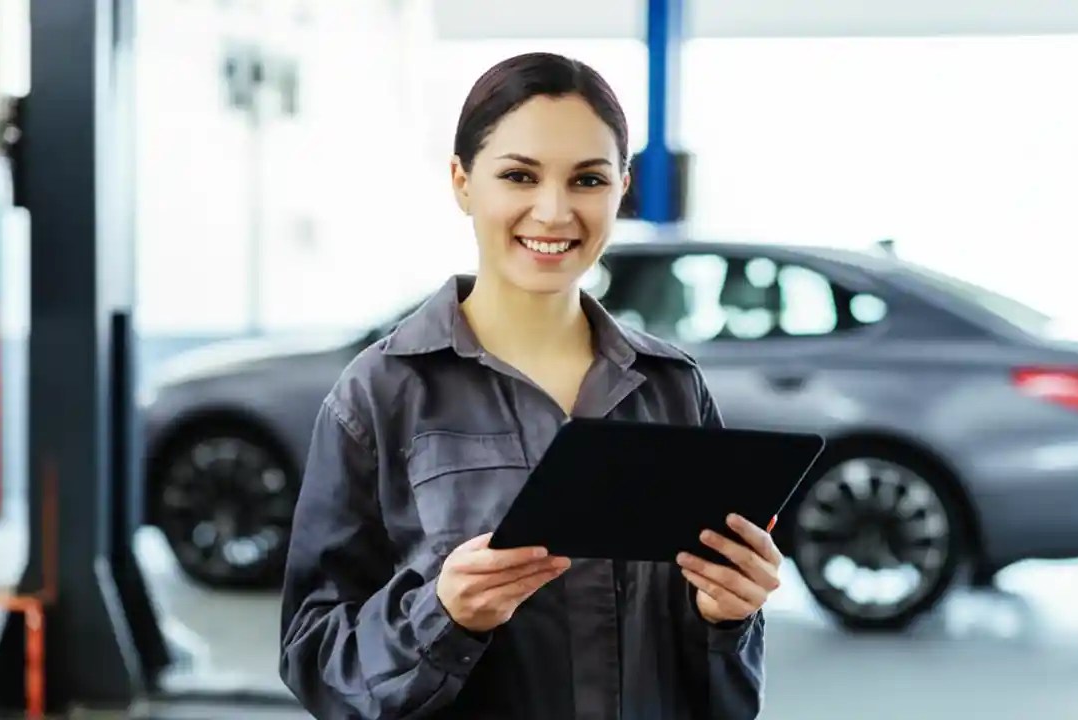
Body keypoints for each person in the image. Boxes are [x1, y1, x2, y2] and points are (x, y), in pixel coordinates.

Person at [279, 51, 782, 720]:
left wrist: (729, 619)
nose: (553, 211)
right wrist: (442, 616)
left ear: (621, 188)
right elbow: (316, 659)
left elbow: (723, 700)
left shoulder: (672, 391)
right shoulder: (380, 394)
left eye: (587, 180)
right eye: (519, 175)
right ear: (462, 182)